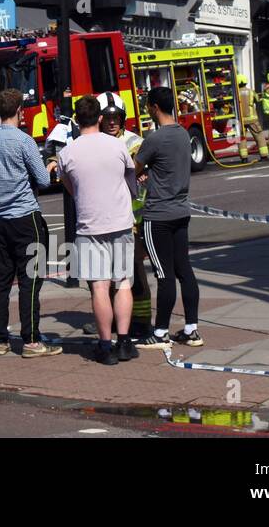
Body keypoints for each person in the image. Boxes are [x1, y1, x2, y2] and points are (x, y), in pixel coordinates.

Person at [0, 88, 62, 358]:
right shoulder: (24, 141)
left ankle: (0, 339)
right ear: (18, 110)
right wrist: (50, 166)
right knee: (30, 281)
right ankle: (31, 340)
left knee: (0, 282)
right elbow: (44, 180)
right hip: (25, 218)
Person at [58, 96, 139, 366]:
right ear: (100, 118)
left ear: (76, 120)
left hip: (90, 225)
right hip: (120, 221)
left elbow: (70, 187)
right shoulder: (117, 145)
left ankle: (105, 346)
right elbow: (131, 178)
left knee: (99, 288)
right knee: (123, 283)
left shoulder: (67, 152)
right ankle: (125, 343)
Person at [134, 87, 203, 348]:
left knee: (164, 275)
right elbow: (167, 168)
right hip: (180, 211)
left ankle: (160, 332)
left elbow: (134, 167)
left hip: (158, 215)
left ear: (153, 107)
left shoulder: (155, 138)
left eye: (147, 106)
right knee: (184, 270)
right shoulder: (183, 134)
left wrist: (145, 171)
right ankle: (191, 329)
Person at [96, 95, 153, 338]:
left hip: (133, 221)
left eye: (115, 118)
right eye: (107, 118)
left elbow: (145, 170)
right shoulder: (93, 142)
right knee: (109, 276)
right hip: (106, 219)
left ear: (123, 118)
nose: (112, 122)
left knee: (135, 271)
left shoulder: (134, 142)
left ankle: (141, 322)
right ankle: (115, 321)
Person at [236, 75, 269, 162]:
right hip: (252, 119)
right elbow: (258, 100)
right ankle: (264, 156)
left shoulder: (234, 93)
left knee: (240, 138)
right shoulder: (251, 92)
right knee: (259, 136)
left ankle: (244, 158)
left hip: (239, 120)